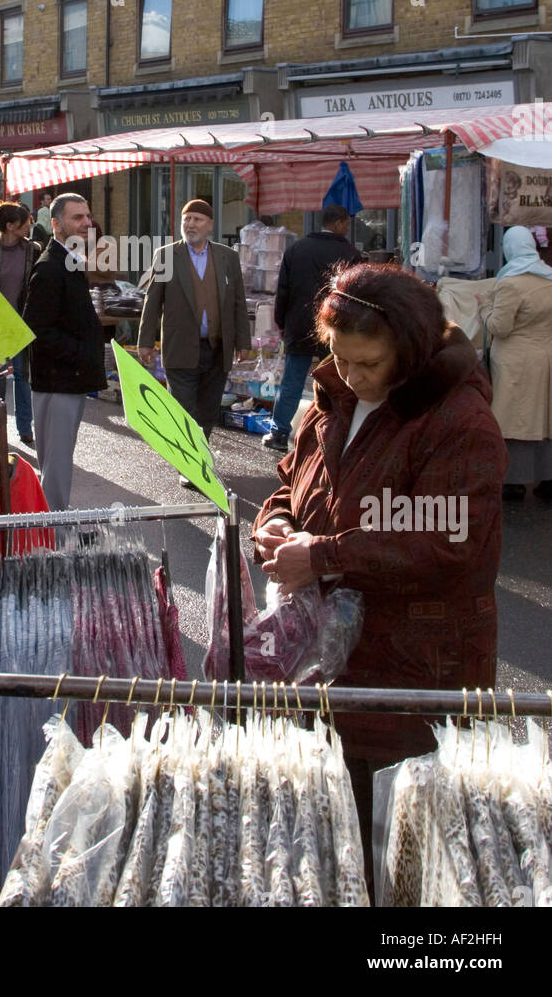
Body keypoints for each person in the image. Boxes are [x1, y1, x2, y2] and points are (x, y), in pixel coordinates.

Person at [251, 262, 507, 882]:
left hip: (420, 666)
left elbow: (451, 542)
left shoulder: (457, 420)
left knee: (404, 854)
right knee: (335, 843)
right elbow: (293, 479)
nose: (350, 374)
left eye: (368, 363)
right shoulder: (335, 393)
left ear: (411, 352)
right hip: (331, 666)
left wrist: (324, 555)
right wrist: (279, 521)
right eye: (339, 356)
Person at [138, 199, 251, 479]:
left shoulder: (227, 258)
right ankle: (188, 466)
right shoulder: (166, 256)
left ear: (210, 225)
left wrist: (243, 343)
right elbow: (153, 302)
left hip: (217, 348)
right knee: (183, 409)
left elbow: (238, 302)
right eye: (186, 219)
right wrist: (145, 340)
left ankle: (200, 455)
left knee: (208, 410)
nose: (190, 224)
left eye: (197, 220)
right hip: (181, 347)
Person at [22, 193, 106, 508]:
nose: (86, 223)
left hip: (66, 378)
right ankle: (51, 534)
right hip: (57, 382)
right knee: (55, 467)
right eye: (77, 218)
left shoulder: (69, 261)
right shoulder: (49, 268)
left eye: (87, 216)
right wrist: (83, 353)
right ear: (56, 225)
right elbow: (37, 330)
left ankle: (54, 524)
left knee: (58, 463)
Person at [263, 203, 361, 453]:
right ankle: (340, 434)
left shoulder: (296, 249)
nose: (348, 228)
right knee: (339, 380)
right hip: (335, 328)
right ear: (338, 224)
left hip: (298, 325)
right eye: (347, 224)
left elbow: (282, 291)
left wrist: (282, 323)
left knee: (292, 381)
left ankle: (279, 433)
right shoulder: (350, 254)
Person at [477, 225, 552, 501]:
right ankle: (548, 479)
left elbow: (500, 326)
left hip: (515, 359)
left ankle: (514, 482)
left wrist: (484, 307)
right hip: (547, 355)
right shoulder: (549, 278)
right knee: (545, 418)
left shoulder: (510, 283)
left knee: (515, 420)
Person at [0, 201, 41, 445]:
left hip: (22, 323)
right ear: (11, 226)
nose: (29, 228)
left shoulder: (32, 250)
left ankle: (25, 429)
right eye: (25, 224)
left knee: (23, 376)